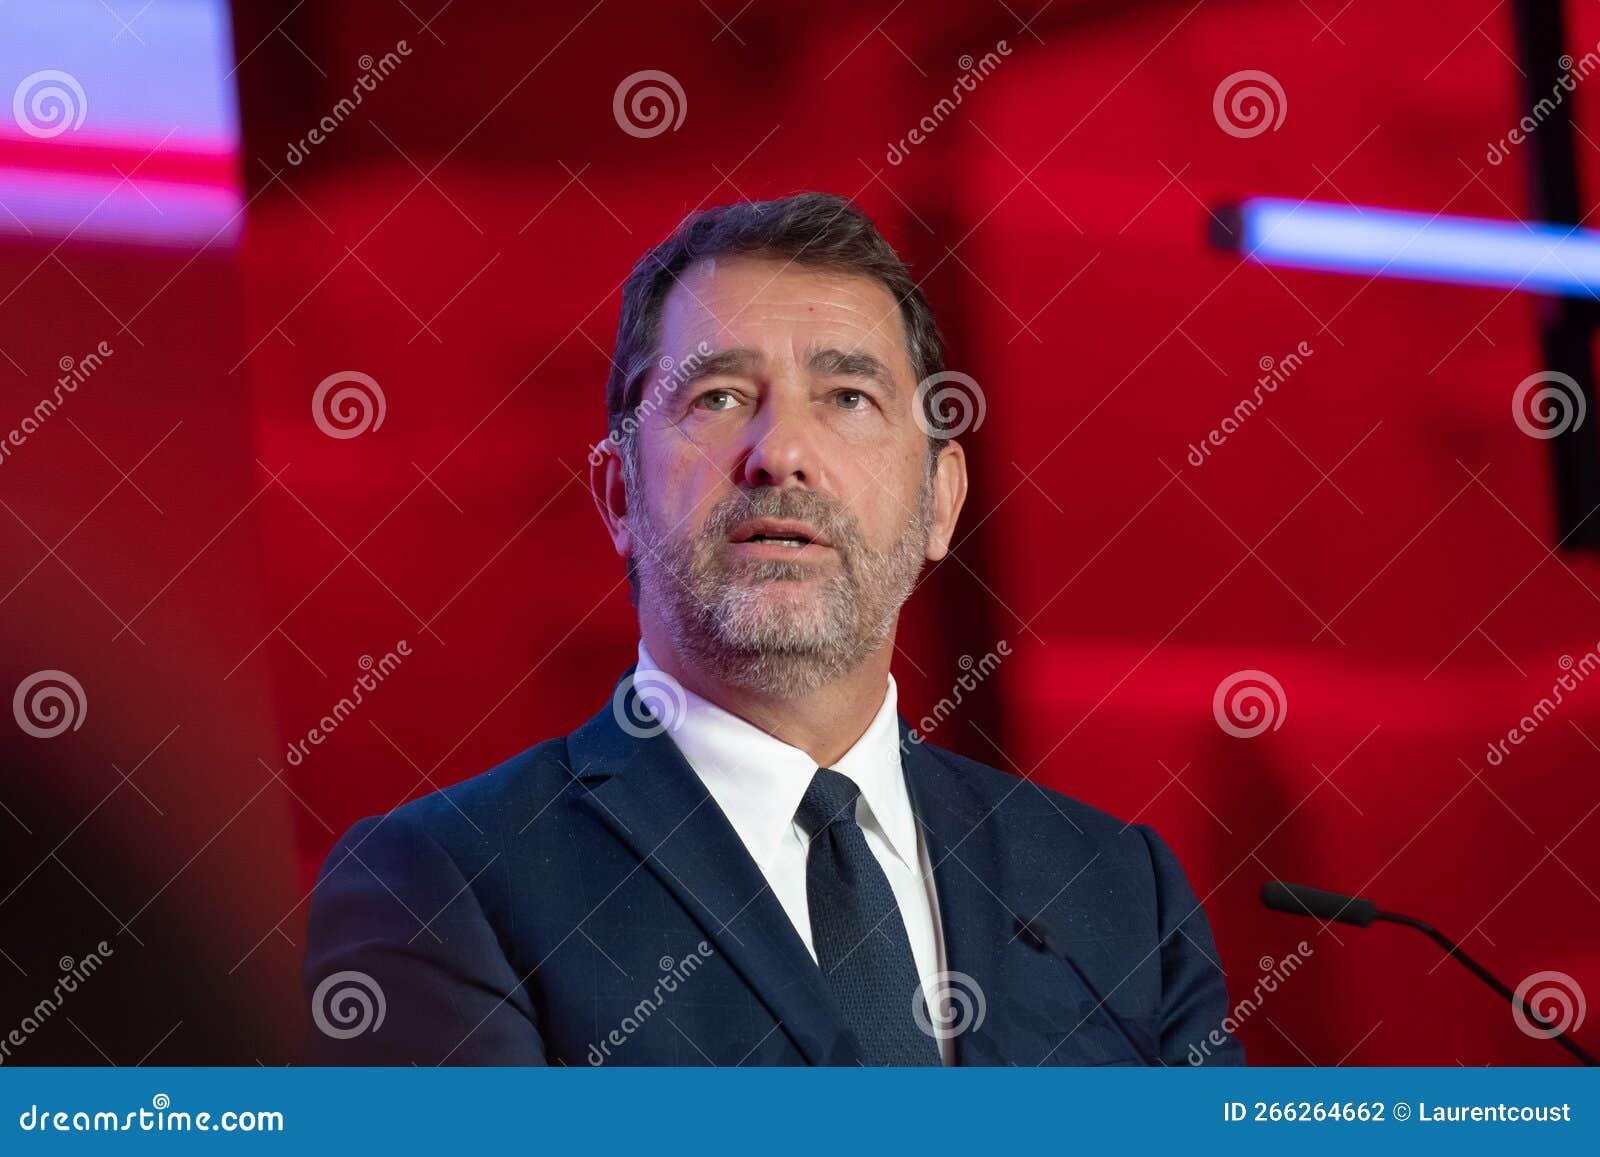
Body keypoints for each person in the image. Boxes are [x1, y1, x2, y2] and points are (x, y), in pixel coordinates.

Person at [302, 191, 1243, 1067]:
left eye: (847, 398)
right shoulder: (440, 885)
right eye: (716, 396)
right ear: (621, 494)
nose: (781, 453)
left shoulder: (1120, 892)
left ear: (941, 502)